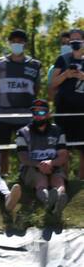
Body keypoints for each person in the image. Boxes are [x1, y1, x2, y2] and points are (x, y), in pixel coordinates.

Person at [0, 28, 42, 175]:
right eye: (13, 41)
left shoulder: (35, 65)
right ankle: (3, 177)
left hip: (26, 115)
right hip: (3, 115)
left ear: (25, 43)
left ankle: (25, 176)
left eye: (20, 41)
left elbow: (36, 89)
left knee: (26, 150)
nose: (16, 44)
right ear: (9, 43)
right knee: (3, 150)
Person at [15, 99, 69, 216]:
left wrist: (51, 163)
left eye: (41, 113)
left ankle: (58, 199)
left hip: (53, 165)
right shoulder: (23, 132)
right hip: (31, 166)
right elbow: (23, 157)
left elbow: (63, 155)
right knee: (41, 181)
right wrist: (39, 165)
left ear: (48, 114)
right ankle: (48, 201)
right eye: (35, 112)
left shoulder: (58, 131)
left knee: (59, 182)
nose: (38, 116)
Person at [48, 28, 84, 179]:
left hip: (82, 112)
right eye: (72, 40)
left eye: (78, 40)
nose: (74, 43)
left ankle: (82, 182)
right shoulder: (62, 59)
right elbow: (52, 84)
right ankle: (64, 180)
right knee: (63, 148)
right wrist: (66, 74)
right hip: (63, 110)